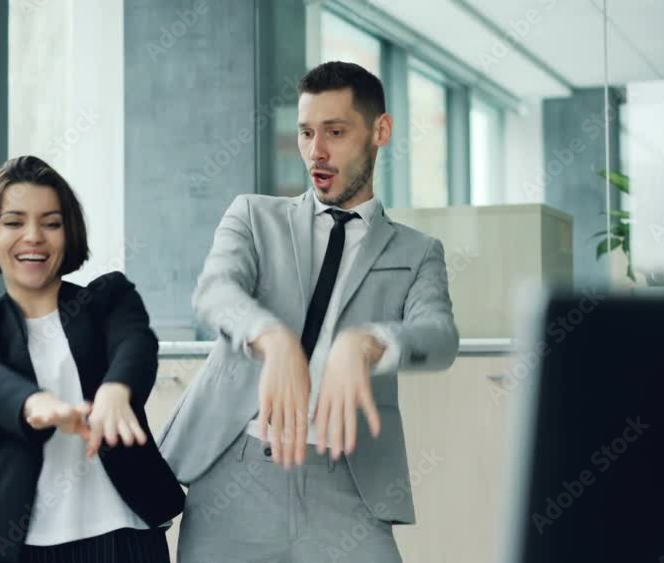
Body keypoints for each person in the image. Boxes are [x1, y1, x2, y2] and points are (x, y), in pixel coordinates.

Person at [159, 62, 459, 562]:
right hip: (235, 474)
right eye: (305, 133)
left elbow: (439, 336)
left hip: (347, 481)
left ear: (380, 131)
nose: (315, 152)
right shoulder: (255, 217)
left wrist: (368, 342)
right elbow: (215, 293)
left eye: (335, 132)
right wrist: (271, 338)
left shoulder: (418, 250)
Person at [0, 156, 184, 563]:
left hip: (126, 535)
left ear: (68, 234)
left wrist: (115, 390)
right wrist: (37, 405)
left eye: (51, 223)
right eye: (14, 222)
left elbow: (135, 345)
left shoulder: (109, 299)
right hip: (26, 545)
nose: (33, 236)